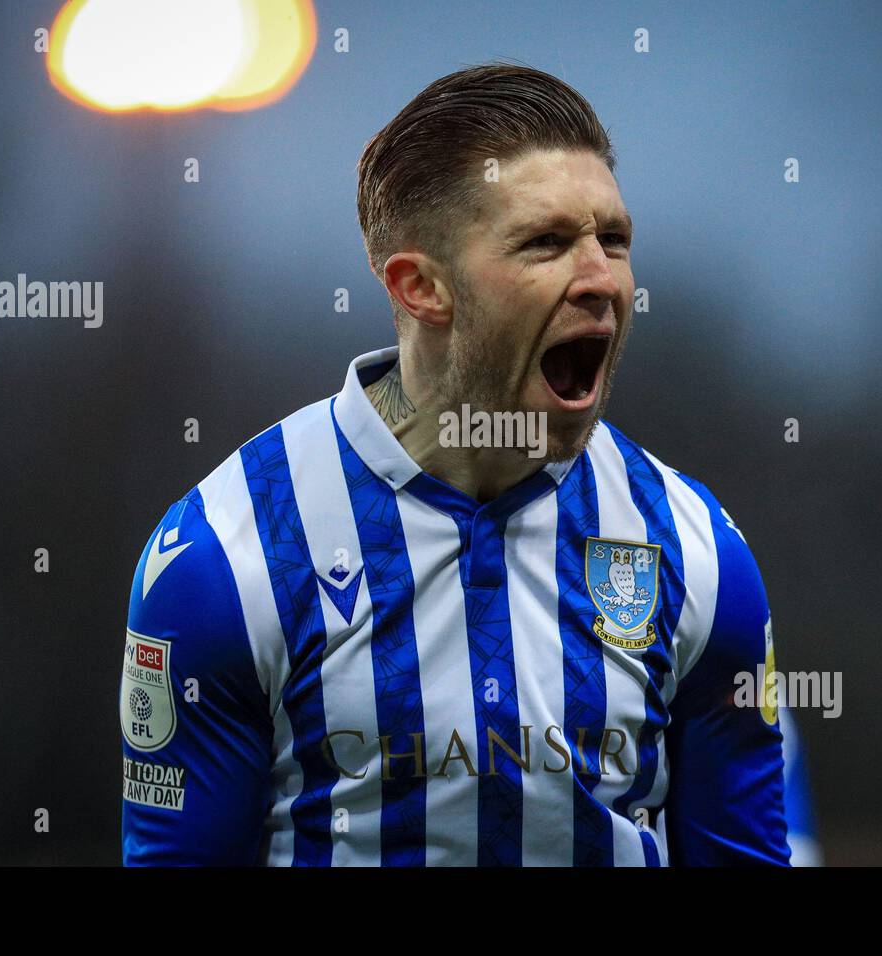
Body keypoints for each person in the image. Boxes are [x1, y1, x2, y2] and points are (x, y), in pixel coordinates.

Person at [120, 62, 789, 866]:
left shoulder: (698, 549)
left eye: (613, 239)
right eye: (546, 243)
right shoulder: (227, 555)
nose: (602, 280)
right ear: (419, 288)